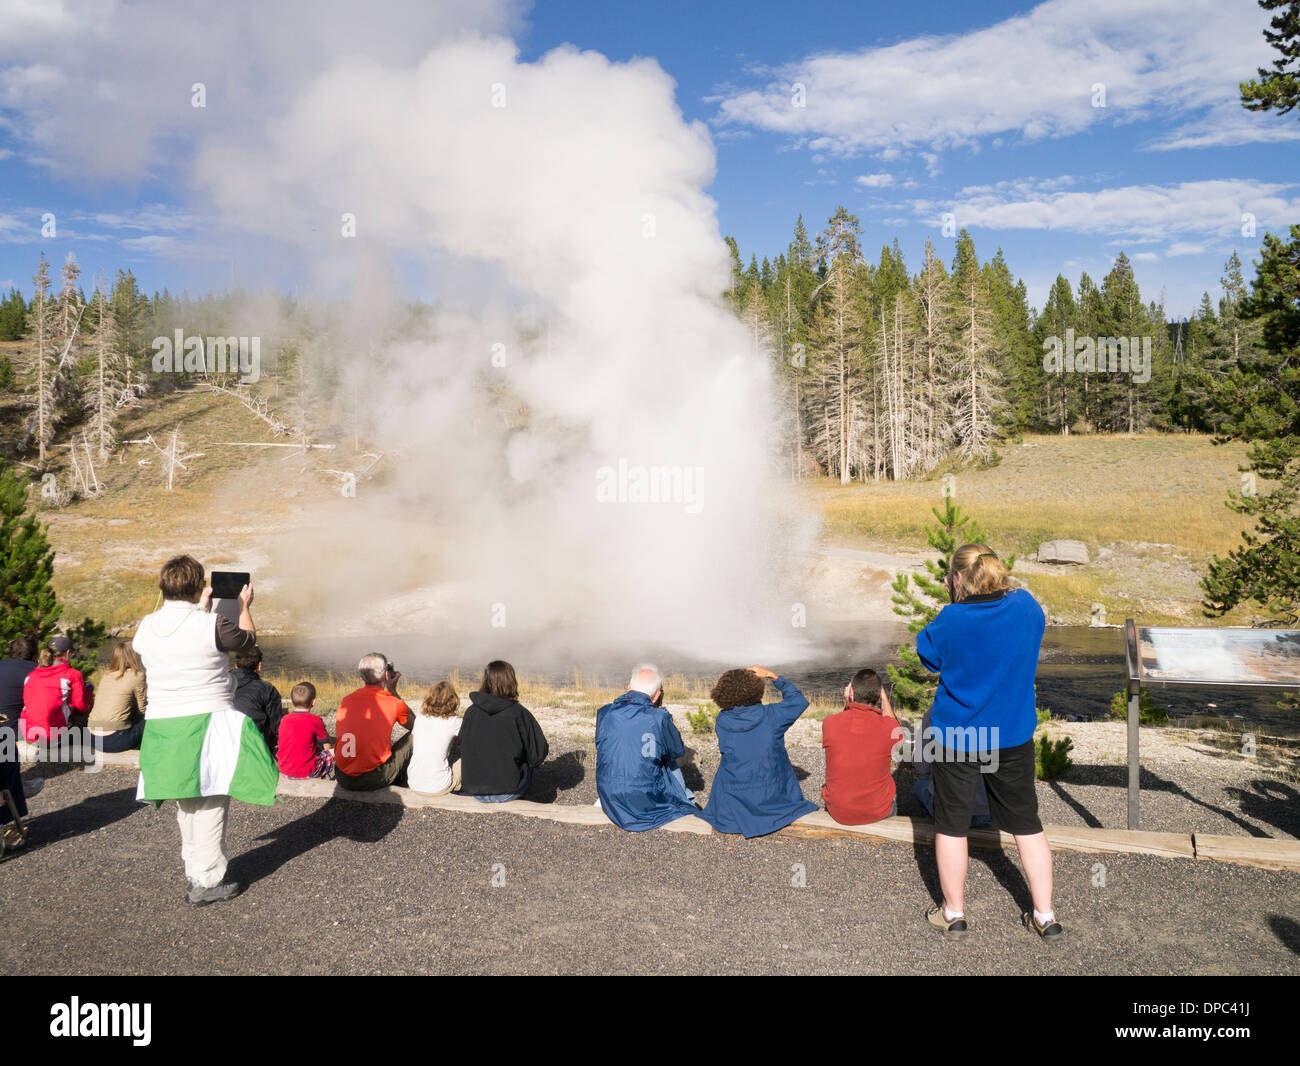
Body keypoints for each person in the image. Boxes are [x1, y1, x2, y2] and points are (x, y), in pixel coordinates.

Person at [916, 543, 1060, 940]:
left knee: (951, 825)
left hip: (958, 734)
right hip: (1011, 733)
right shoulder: (1027, 607)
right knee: (1027, 824)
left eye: (950, 577)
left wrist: (953, 600)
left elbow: (928, 655)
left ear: (957, 578)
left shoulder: (951, 619)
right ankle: (1045, 915)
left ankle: (954, 912)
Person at [132, 555, 278, 907]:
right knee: (212, 798)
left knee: (186, 799)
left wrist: (201, 610)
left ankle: (195, 869)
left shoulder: (146, 627)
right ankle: (208, 879)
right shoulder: (211, 624)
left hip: (163, 725)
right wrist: (242, 605)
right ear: (200, 586)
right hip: (206, 721)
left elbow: (158, 651)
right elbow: (248, 642)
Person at [699, 666, 817, 838]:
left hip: (734, 793)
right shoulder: (772, 716)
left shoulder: (723, 720)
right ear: (756, 690)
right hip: (769, 794)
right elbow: (798, 700)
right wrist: (774, 676)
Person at [594, 664, 697, 831]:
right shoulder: (658, 717)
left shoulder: (605, 713)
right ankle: (685, 799)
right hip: (646, 798)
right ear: (656, 696)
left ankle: (606, 798)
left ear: (628, 689)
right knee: (669, 760)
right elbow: (677, 750)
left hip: (609, 795)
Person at [821, 668, 904, 826]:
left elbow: (847, 723)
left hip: (838, 812)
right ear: (879, 696)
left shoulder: (829, 723)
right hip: (879, 812)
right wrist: (885, 699)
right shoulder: (888, 728)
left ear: (850, 692)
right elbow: (899, 737)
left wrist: (848, 703)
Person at [458, 661, 548, 803]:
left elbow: (462, 744)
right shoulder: (519, 713)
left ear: (485, 681)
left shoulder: (471, 712)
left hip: (473, 789)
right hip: (508, 791)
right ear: (512, 681)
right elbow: (538, 755)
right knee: (527, 763)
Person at [335, 653, 413, 791]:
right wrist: (393, 690)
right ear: (387, 675)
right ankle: (406, 780)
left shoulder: (346, 701)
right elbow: (416, 725)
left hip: (342, 776)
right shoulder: (394, 703)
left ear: (362, 676)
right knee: (416, 735)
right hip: (373, 779)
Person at [913, 707, 990, 829]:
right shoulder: (991, 711)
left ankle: (929, 818)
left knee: (920, 785)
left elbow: (922, 767)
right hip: (987, 810)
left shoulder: (934, 713)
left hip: (948, 812)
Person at [0, 636, 42, 847]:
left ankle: (19, 787)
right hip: (7, 731)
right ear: (35, 656)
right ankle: (14, 811)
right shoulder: (34, 673)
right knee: (7, 761)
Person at [18, 636, 86, 744]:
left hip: (27, 733)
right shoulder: (73, 674)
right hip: (52, 737)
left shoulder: (31, 675)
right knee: (81, 716)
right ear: (68, 653)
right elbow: (81, 706)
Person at [87, 641, 148, 752]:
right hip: (115, 740)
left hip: (92, 738)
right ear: (133, 657)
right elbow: (142, 709)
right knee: (149, 718)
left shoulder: (106, 675)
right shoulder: (137, 675)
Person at [407, 680, 462, 796]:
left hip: (413, 783)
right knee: (463, 760)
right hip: (439, 787)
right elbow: (469, 740)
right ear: (453, 701)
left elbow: (413, 743)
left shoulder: (420, 719)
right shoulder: (455, 722)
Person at [230, 644, 284, 754]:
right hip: (254, 748)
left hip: (220, 743)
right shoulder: (267, 689)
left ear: (236, 665)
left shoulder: (219, 684)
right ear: (259, 666)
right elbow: (276, 727)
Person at [276, 682, 334, 780]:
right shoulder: (315, 720)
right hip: (307, 771)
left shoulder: (284, 719)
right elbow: (325, 742)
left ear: (292, 701)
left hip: (284, 769)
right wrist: (328, 753)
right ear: (313, 702)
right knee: (337, 750)